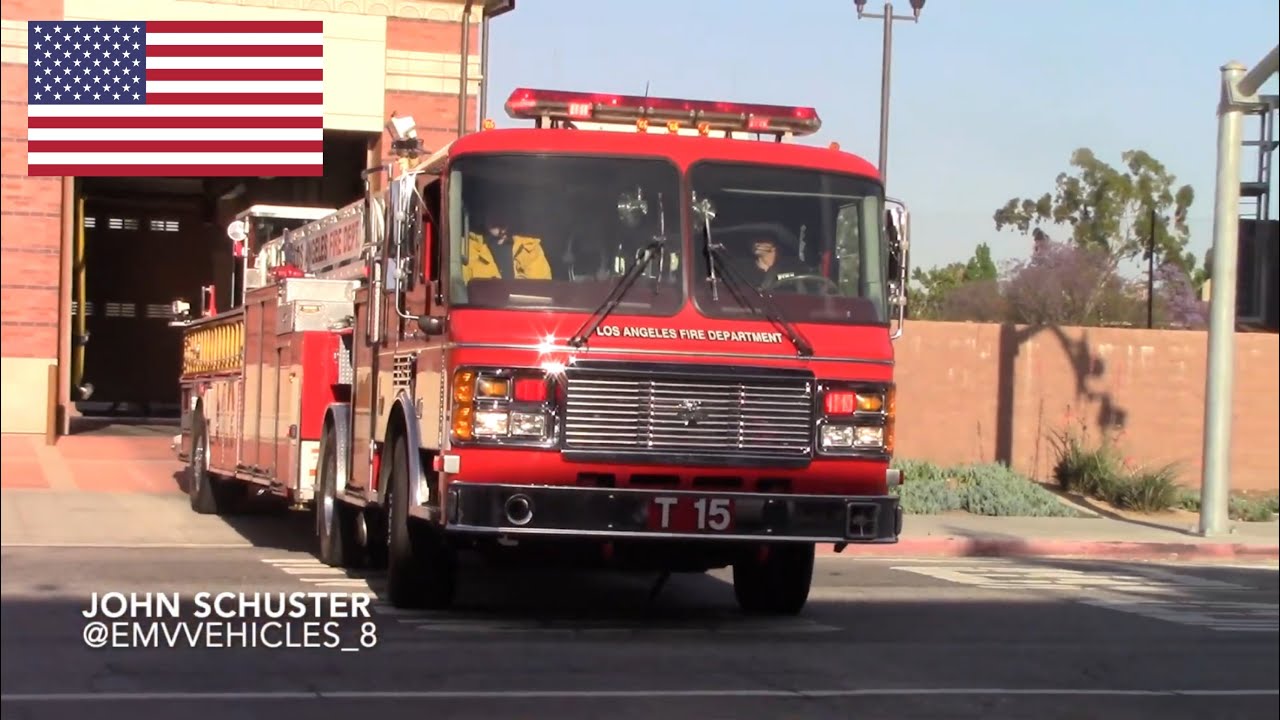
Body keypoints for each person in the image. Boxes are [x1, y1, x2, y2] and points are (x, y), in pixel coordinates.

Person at [463, 202, 552, 282]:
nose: (500, 218)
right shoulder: (468, 248)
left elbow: (543, 288)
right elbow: (461, 288)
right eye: (494, 212)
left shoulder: (531, 248)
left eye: (505, 211)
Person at [735, 234, 806, 290]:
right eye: (753, 239)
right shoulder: (741, 269)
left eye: (762, 240)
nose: (756, 243)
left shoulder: (790, 267)